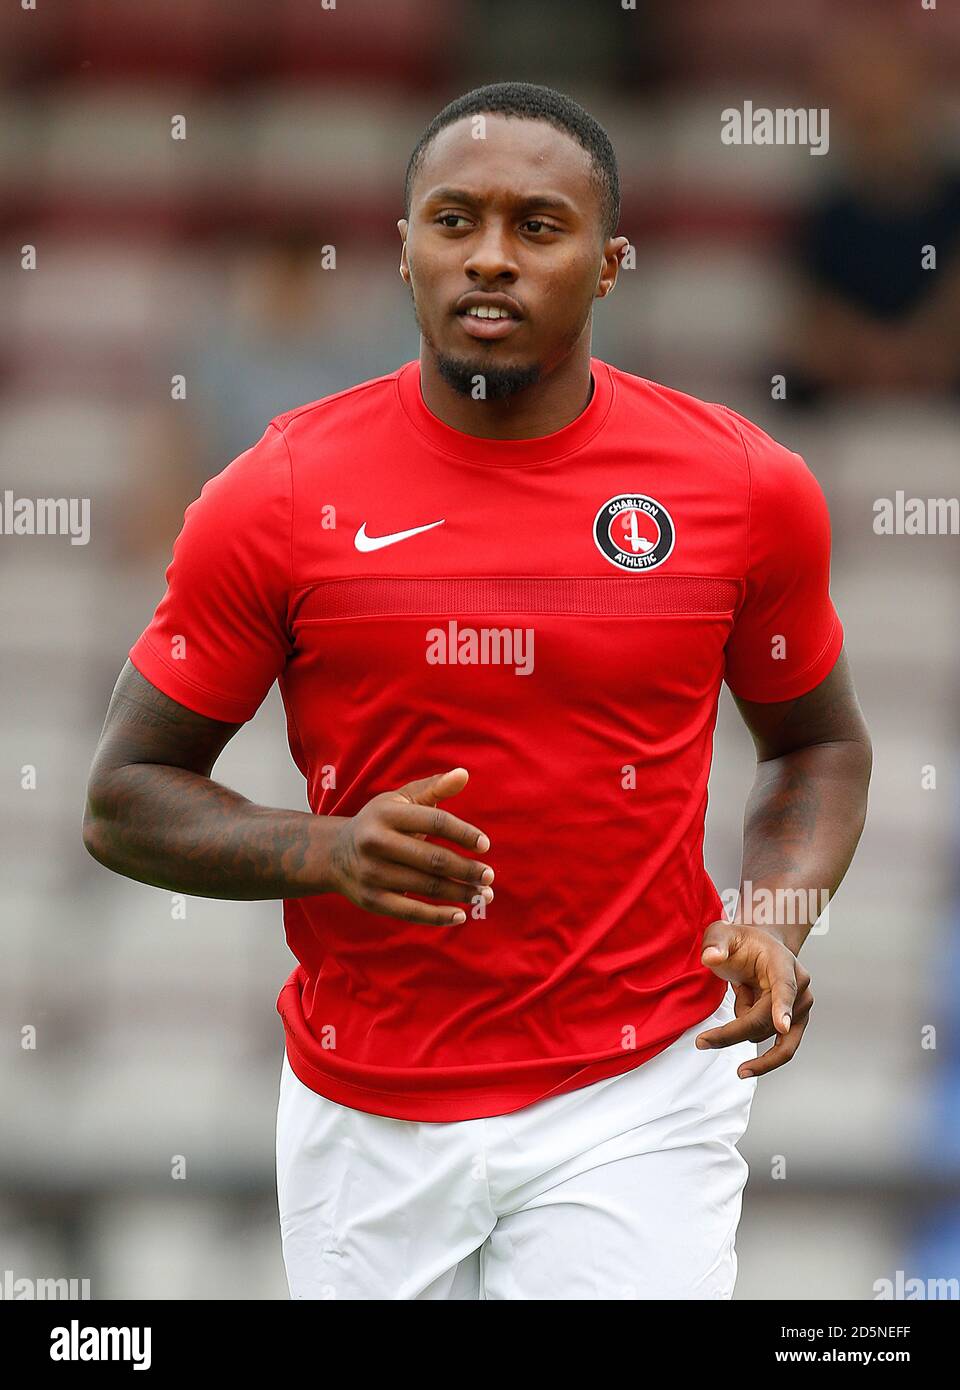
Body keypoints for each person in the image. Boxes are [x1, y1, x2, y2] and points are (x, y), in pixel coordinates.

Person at [82, 82, 872, 1301]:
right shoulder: (276, 495)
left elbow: (819, 748)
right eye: (453, 221)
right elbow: (123, 796)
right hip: (365, 1106)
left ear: (610, 265)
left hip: (638, 1087)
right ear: (404, 249)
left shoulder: (742, 488)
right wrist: (325, 849)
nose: (489, 258)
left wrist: (771, 914)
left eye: (537, 227)